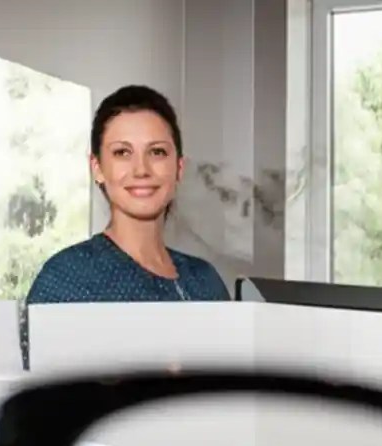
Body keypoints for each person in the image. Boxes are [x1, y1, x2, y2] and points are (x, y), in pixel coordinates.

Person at [25, 85, 230, 304]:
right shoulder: (67, 279)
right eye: (122, 152)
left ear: (179, 168)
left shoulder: (206, 282)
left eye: (157, 152)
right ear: (97, 168)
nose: (141, 169)